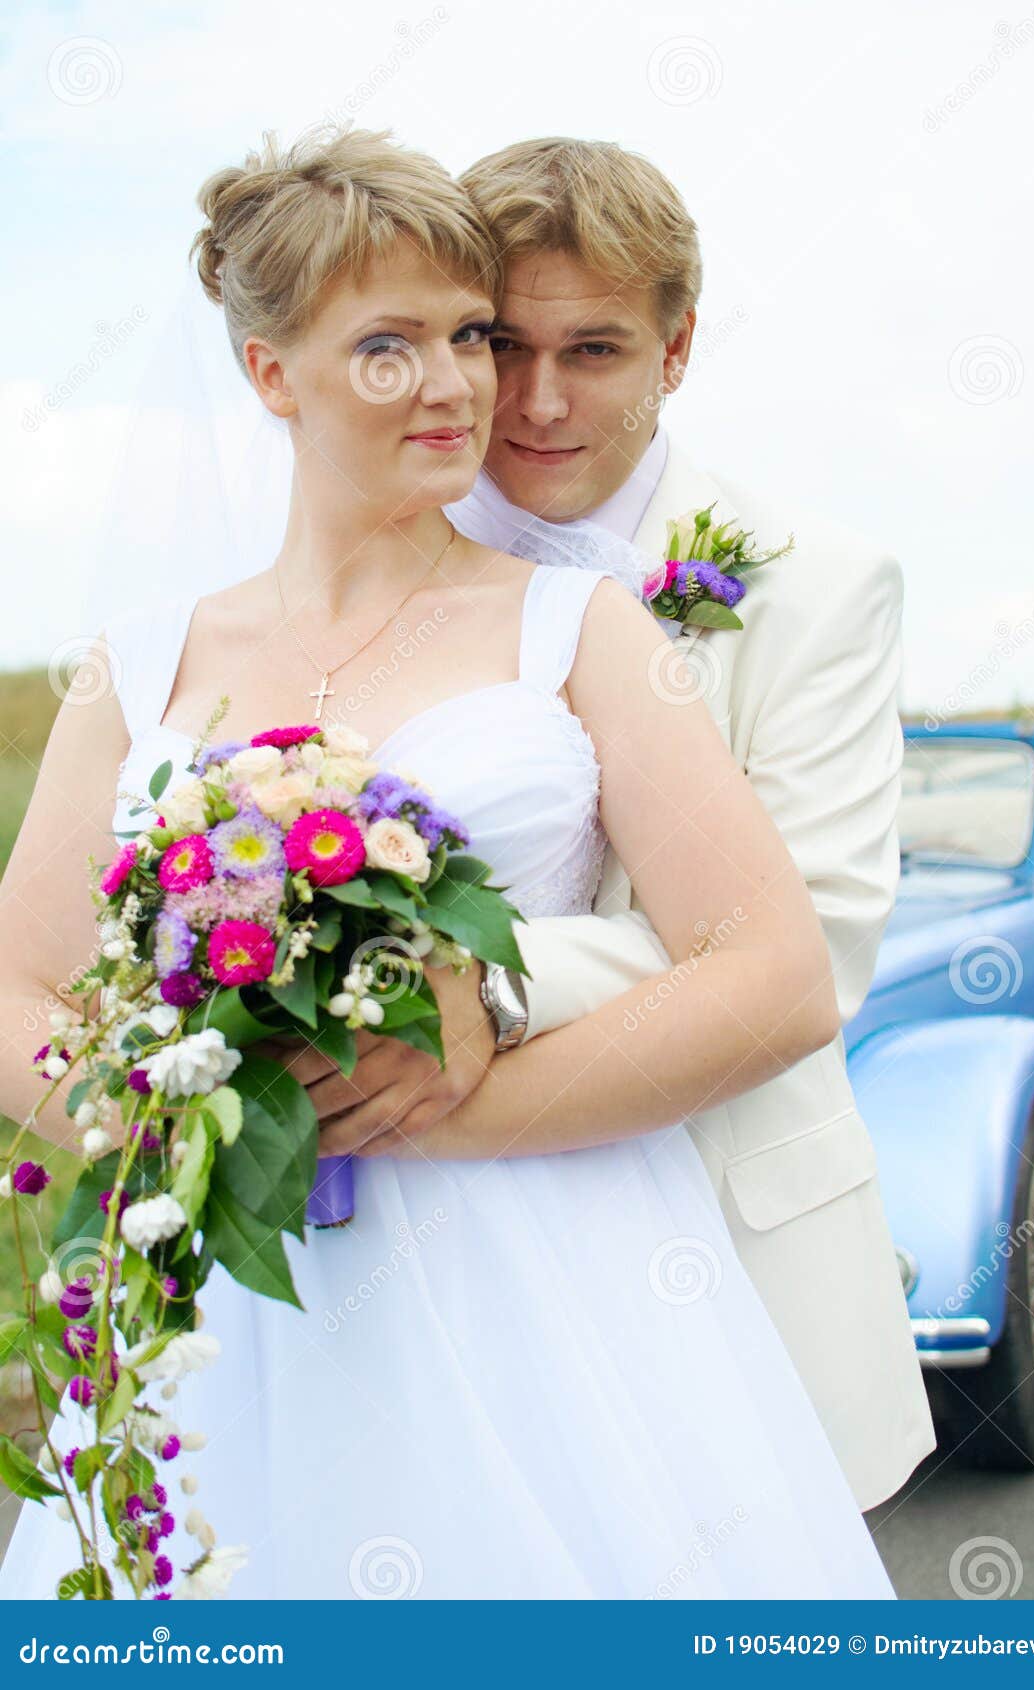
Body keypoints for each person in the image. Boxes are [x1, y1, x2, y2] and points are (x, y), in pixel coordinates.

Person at [0, 125, 895, 1600]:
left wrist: (412, 1080)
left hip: (563, 1265)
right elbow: (22, 988)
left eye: (464, 333)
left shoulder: (580, 624)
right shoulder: (135, 665)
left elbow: (783, 965)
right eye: (390, 344)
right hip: (248, 1307)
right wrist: (184, 1131)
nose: (467, 384)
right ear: (270, 373)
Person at [290, 138, 938, 1515]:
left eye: (591, 350)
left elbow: (805, 955)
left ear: (679, 346)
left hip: (724, 1243)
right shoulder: (358, 561)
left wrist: (455, 979)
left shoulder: (820, 587)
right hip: (412, 1273)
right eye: (497, 343)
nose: (531, 400)